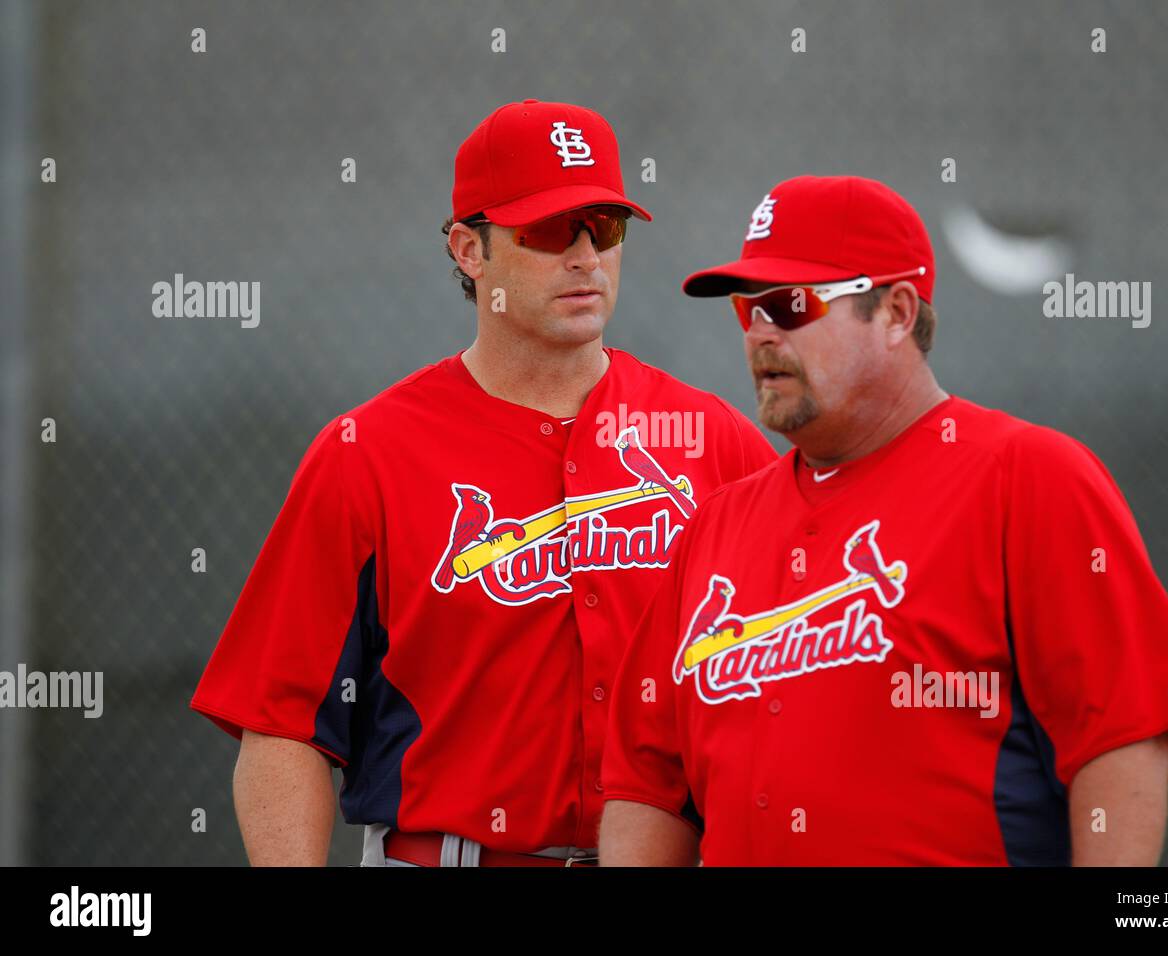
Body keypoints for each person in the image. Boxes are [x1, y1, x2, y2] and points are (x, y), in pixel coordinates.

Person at [189, 99, 776, 867]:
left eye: (605, 226)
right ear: (470, 250)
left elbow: (787, 691)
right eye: (547, 230)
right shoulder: (367, 453)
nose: (585, 257)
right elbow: (283, 726)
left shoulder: (712, 441)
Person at [598, 175, 1168, 865]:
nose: (761, 333)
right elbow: (648, 786)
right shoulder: (716, 526)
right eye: (748, 309)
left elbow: (1121, 736)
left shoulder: (1028, 477)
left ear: (896, 313)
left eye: (792, 304)